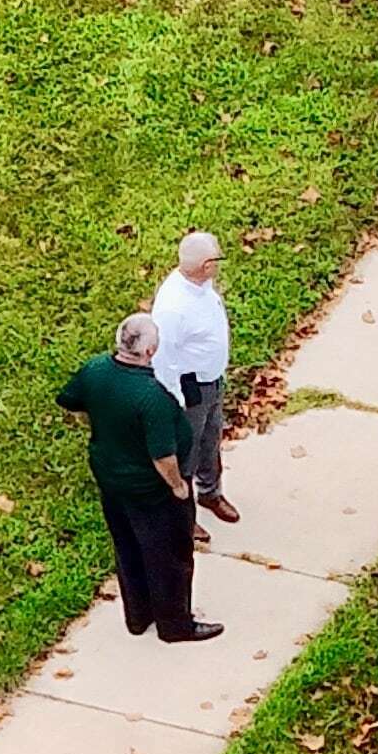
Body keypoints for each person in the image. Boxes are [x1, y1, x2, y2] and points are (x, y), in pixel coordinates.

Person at [56, 314, 221, 642]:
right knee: (171, 558)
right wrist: (177, 486)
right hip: (152, 493)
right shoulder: (152, 397)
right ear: (150, 352)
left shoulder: (95, 370)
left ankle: (138, 615)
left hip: (111, 484)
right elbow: (163, 456)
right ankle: (175, 625)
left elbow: (69, 400)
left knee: (128, 547)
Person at [151, 230, 237, 536]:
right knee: (187, 448)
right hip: (190, 387)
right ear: (206, 265)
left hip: (212, 380)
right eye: (215, 260)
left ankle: (211, 492)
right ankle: (181, 515)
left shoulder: (201, 285)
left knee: (211, 439)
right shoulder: (173, 307)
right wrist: (177, 399)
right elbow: (163, 357)